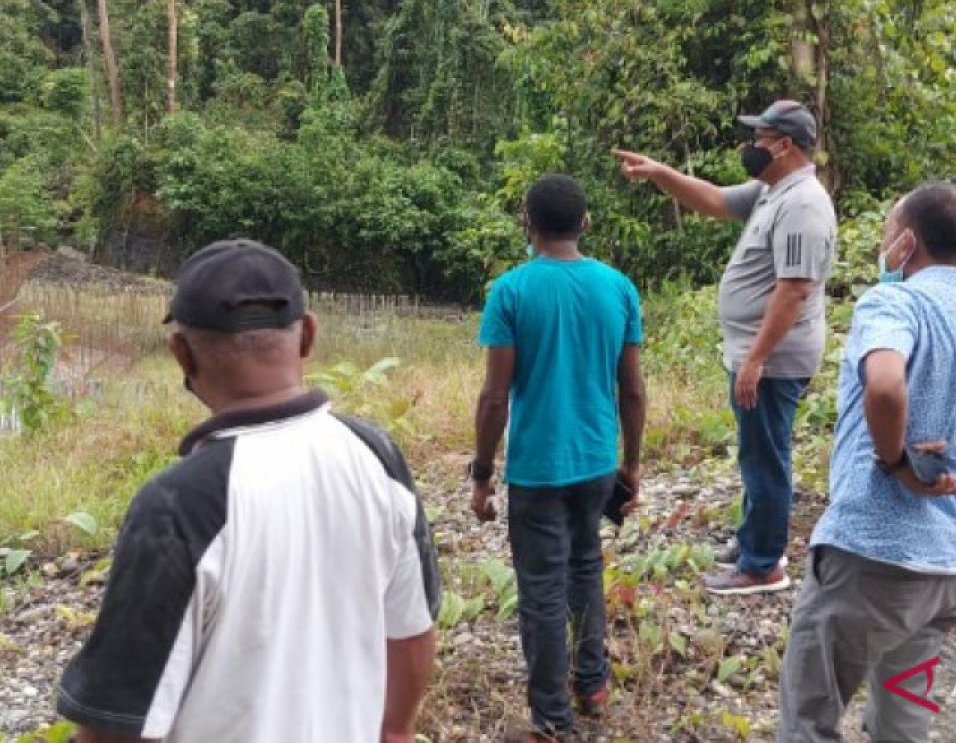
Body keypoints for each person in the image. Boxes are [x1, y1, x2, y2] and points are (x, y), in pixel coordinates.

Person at [57, 240, 440, 743]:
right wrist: (394, 730)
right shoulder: (377, 457)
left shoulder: (180, 504)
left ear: (180, 353)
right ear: (308, 335)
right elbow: (412, 628)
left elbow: (119, 720)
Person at [776, 183, 956, 742]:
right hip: (947, 571)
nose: (885, 246)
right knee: (903, 726)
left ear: (907, 243)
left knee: (809, 720)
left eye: (888, 234)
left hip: (870, 558)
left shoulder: (893, 302)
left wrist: (897, 464)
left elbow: (885, 386)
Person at [614, 99, 837, 596]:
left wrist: (757, 358)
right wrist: (658, 173)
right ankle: (755, 540)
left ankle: (763, 566)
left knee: (765, 457)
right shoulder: (771, 190)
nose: (752, 146)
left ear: (785, 145)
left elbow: (794, 288)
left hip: (773, 359)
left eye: (760, 137)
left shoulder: (803, 204)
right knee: (755, 452)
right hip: (756, 353)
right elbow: (713, 199)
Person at [469, 174, 646, 742]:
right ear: (585, 223)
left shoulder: (511, 291)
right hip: (597, 461)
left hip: (537, 467)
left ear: (528, 223)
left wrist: (481, 473)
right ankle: (591, 683)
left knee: (542, 588)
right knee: (586, 566)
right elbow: (633, 389)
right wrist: (633, 464)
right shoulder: (618, 287)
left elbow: (496, 395)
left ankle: (551, 717)